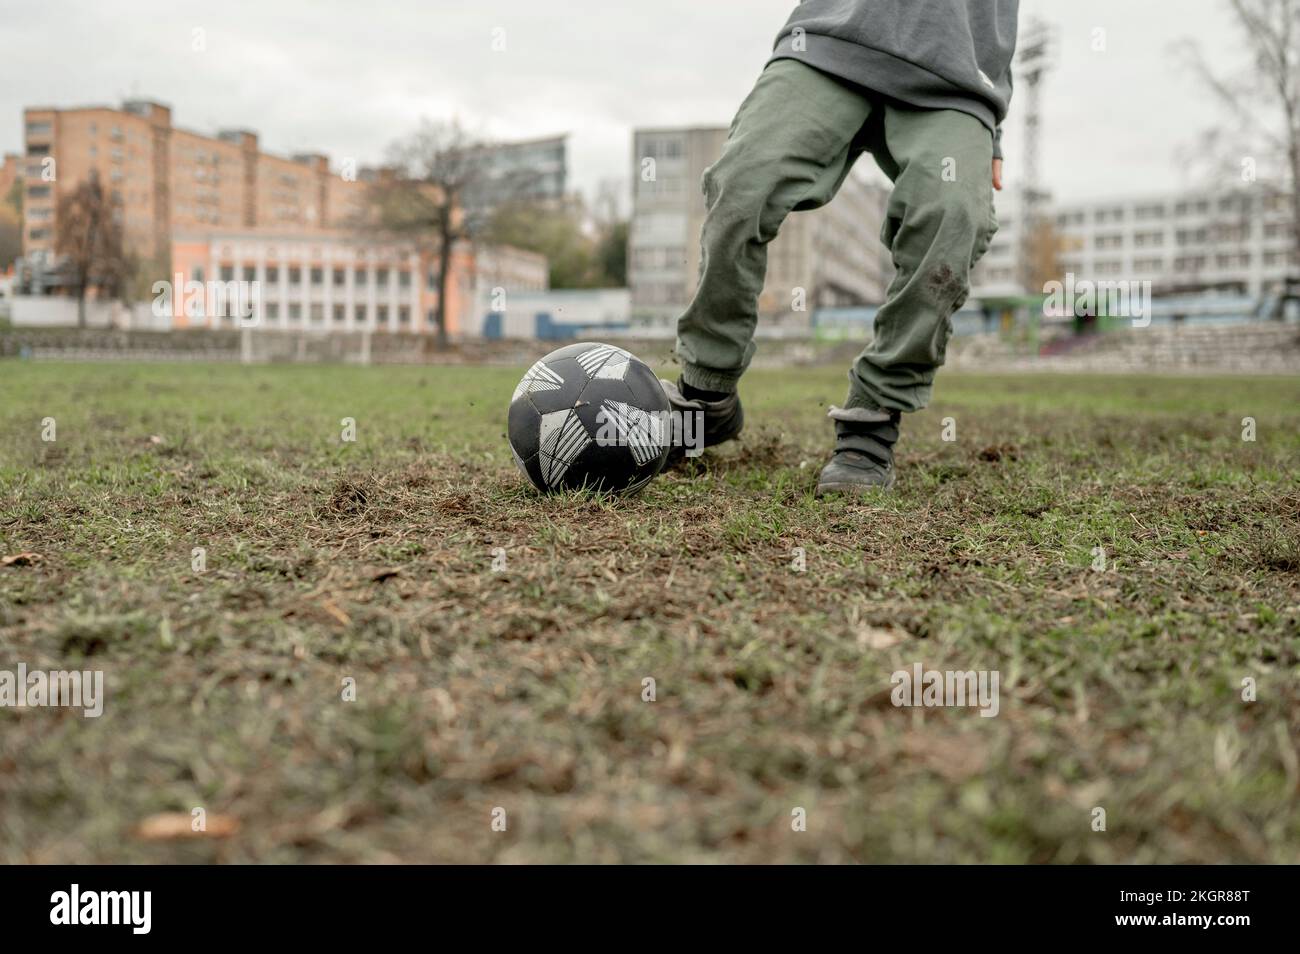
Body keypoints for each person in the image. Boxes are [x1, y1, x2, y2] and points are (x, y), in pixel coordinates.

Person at [662, 0, 1019, 493]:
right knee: (743, 186)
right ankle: (707, 392)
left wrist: (992, 126)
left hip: (957, 74)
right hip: (829, 41)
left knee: (954, 217)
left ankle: (872, 416)